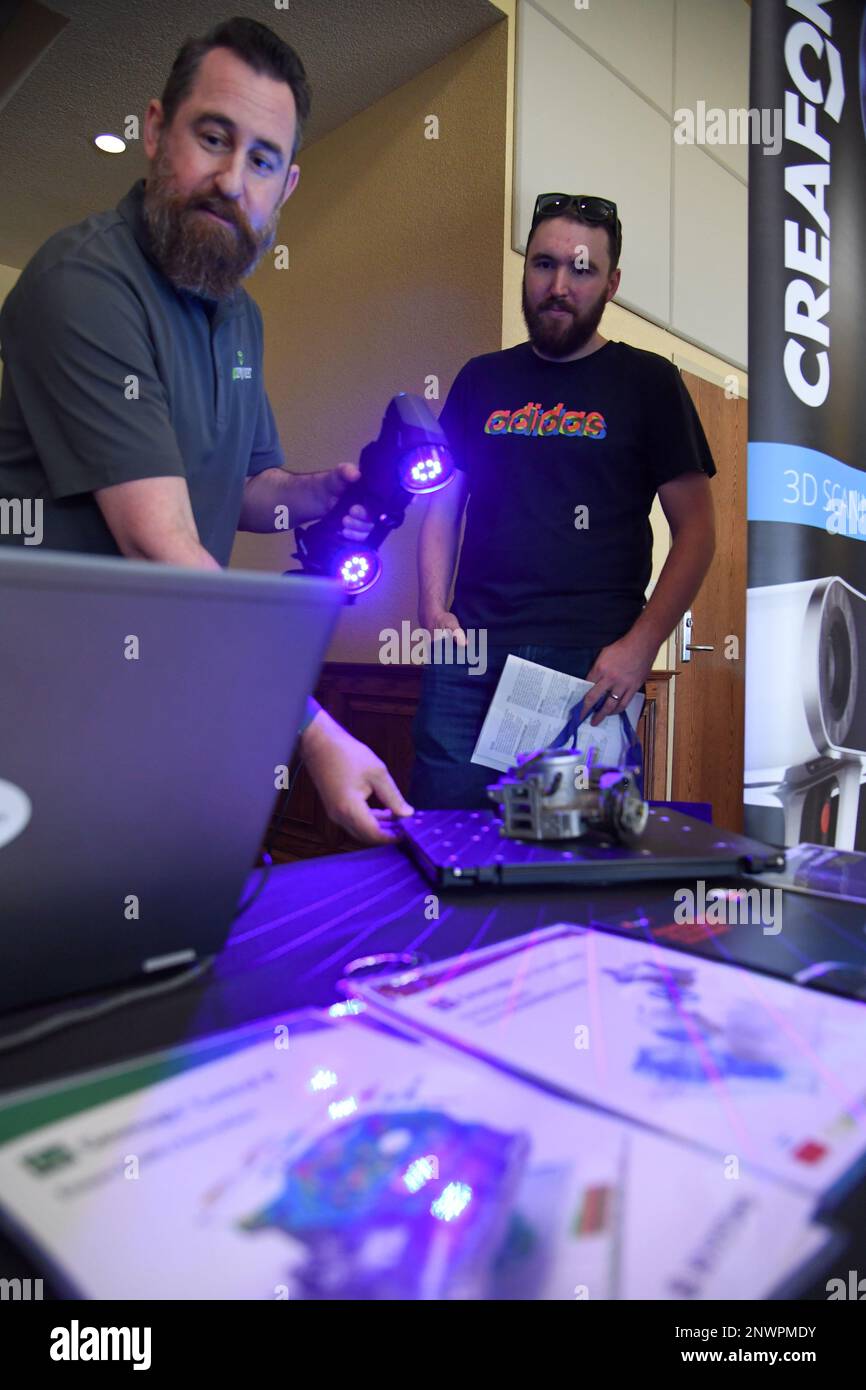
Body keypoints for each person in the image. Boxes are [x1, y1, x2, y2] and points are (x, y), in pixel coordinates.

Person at [0, 16, 412, 844]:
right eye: (212, 138)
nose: (231, 180)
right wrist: (312, 730)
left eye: (261, 160)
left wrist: (319, 492)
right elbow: (164, 550)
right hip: (36, 715)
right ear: (156, 132)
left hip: (159, 696)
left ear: (285, 188)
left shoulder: (238, 316)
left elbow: (250, 489)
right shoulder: (84, 282)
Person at [411, 193, 717, 808]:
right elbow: (443, 502)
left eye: (582, 269)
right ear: (525, 269)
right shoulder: (481, 378)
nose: (558, 285)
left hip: (587, 662)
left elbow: (699, 533)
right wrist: (431, 606)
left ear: (612, 284)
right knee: (443, 852)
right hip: (468, 655)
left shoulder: (649, 382)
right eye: (543, 264)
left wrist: (641, 647)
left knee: (567, 871)